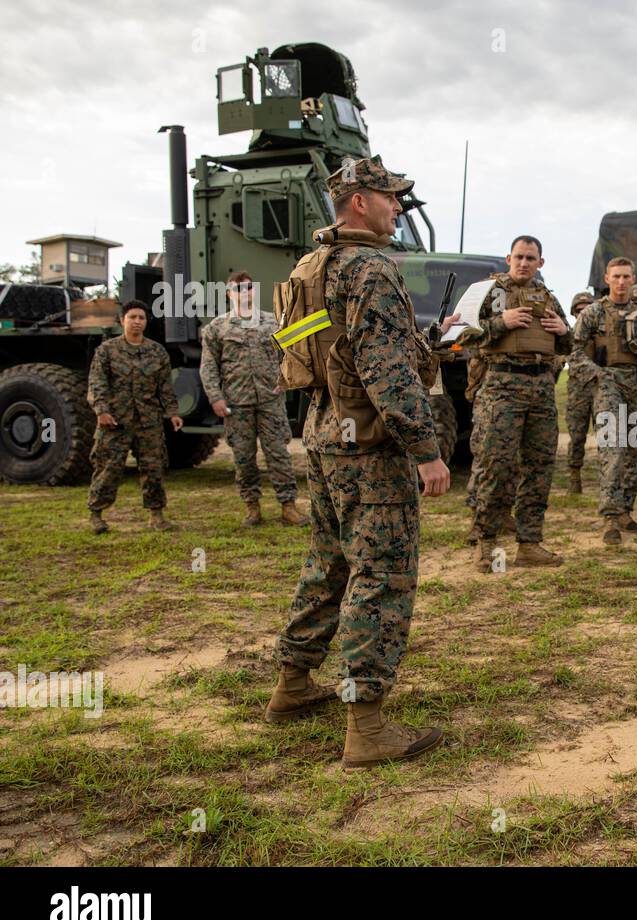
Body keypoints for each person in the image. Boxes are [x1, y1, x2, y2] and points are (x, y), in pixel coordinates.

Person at [269, 156, 452, 770]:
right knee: (382, 574)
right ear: (358, 202)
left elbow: (323, 352)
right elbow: (385, 370)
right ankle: (366, 725)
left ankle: (292, 684)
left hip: (325, 435)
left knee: (330, 559)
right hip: (371, 446)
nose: (397, 206)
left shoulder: (311, 265)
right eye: (388, 196)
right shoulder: (371, 267)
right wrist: (425, 450)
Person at [460, 236, 571, 568]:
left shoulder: (548, 298)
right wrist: (500, 323)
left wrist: (564, 331)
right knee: (497, 466)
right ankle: (487, 544)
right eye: (519, 257)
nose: (524, 263)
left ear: (541, 263)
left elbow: (568, 347)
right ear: (509, 258)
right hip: (501, 387)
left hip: (540, 390)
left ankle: (530, 543)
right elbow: (462, 336)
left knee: (539, 467)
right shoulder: (486, 292)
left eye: (531, 258)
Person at [200, 272, 308, 527]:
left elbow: (291, 355)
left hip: (270, 401)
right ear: (229, 294)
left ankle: (288, 507)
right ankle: (252, 507)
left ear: (254, 291)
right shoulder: (217, 328)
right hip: (237, 404)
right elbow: (209, 366)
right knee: (243, 458)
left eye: (248, 287)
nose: (244, 292)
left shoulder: (273, 324)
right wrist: (215, 397)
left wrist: (285, 380)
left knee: (278, 454)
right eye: (237, 289)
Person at [570, 257, 637, 545]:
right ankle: (609, 517)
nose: (621, 282)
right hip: (607, 385)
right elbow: (575, 352)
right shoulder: (593, 313)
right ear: (606, 278)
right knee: (612, 448)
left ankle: (624, 510)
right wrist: (598, 375)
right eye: (616, 276)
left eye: (626, 276)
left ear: (633, 279)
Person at [86, 300, 183, 533]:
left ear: (146, 322)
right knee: (108, 468)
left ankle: (157, 515)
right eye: (132, 317)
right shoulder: (107, 351)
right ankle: (96, 514)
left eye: (141, 318)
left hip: (148, 421)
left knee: (154, 468)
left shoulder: (156, 352)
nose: (137, 322)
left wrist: (173, 413)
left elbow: (165, 387)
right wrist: (102, 410)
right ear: (122, 321)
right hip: (115, 420)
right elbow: (97, 383)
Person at [564, 290, 597, 492]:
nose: (583, 312)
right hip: (578, 390)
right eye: (579, 310)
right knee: (577, 436)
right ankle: (574, 477)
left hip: (600, 388)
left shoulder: (602, 332)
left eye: (587, 309)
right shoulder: (568, 335)